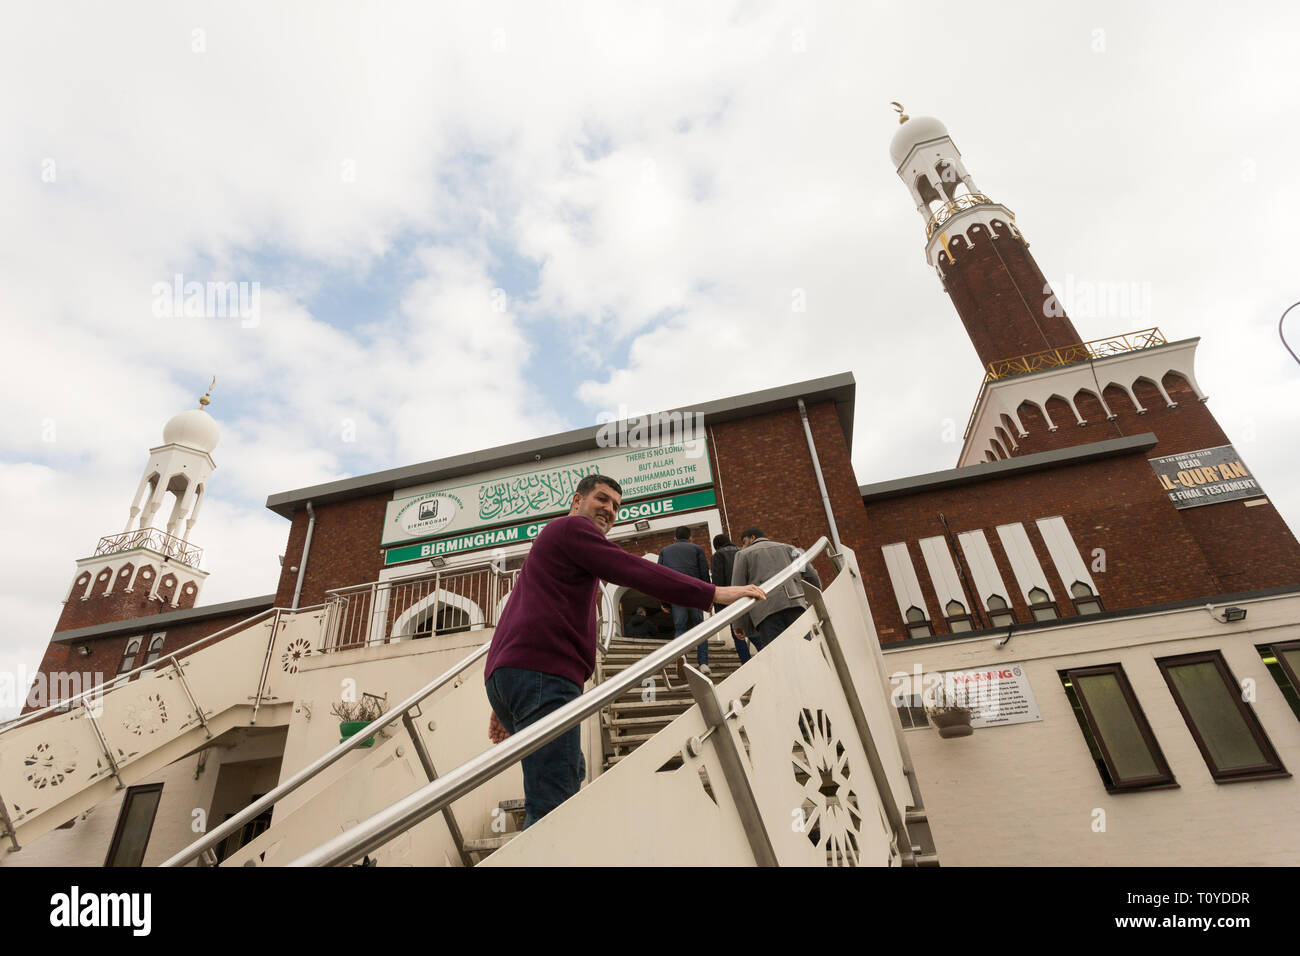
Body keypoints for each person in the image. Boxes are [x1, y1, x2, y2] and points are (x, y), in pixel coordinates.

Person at [483, 475, 765, 828]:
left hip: (520, 675)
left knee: (566, 778)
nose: (609, 510)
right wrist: (715, 594)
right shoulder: (572, 530)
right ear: (576, 500)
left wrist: (504, 689)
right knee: (553, 811)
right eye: (601, 499)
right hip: (543, 675)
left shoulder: (554, 543)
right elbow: (633, 569)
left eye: (616, 505)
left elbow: (516, 609)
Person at [731, 527, 821, 653]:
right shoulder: (789, 548)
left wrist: (739, 624)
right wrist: (815, 601)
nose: (742, 547)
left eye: (744, 542)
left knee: (780, 655)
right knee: (808, 650)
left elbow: (738, 590)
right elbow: (812, 575)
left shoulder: (743, 555)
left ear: (752, 538)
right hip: (795, 605)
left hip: (766, 612)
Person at [658, 526, 712, 675]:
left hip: (676, 595)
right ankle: (703, 664)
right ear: (690, 537)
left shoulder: (665, 551)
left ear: (674, 538)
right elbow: (704, 574)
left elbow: (659, 578)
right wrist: (708, 597)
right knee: (699, 627)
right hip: (695, 593)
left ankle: (682, 658)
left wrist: (664, 602)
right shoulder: (697, 549)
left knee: (680, 628)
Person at [711, 534, 751, 664]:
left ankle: (746, 663)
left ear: (716, 546)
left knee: (737, 633)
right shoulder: (743, 551)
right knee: (754, 630)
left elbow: (718, 581)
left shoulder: (718, 556)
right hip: (749, 596)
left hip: (731, 600)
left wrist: (719, 608)